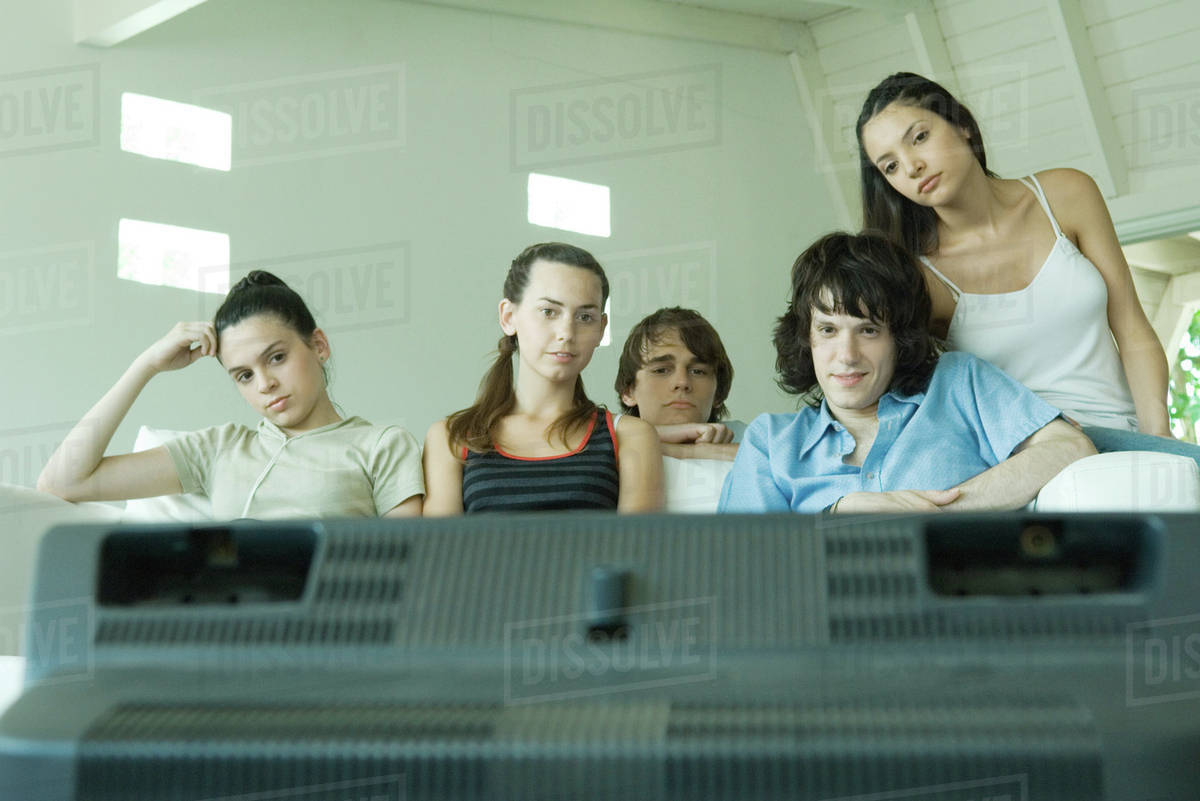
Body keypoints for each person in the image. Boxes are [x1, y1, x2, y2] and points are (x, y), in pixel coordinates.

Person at [856, 71, 1200, 463]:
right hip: (1035, 460)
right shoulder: (917, 277)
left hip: (1128, 438)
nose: (912, 166)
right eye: (890, 166)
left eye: (919, 137)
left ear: (962, 125)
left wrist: (1159, 440)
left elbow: (1132, 329)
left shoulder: (1066, 194)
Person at [718, 232, 1096, 514]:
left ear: (898, 339)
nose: (847, 356)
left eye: (868, 330)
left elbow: (1070, 448)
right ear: (806, 338)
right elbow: (745, 565)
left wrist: (938, 514)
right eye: (828, 330)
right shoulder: (771, 441)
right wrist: (835, 517)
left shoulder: (958, 382)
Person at [38, 271, 424, 519]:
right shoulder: (220, 449)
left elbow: (407, 572)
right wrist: (146, 365)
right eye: (244, 375)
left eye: (276, 357)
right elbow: (64, 482)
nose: (264, 383)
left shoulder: (382, 446)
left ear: (318, 346)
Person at [423, 242, 663, 515]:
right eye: (549, 311)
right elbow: (441, 542)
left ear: (601, 328)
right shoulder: (452, 436)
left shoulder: (630, 436)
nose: (567, 332)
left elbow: (636, 540)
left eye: (585, 317)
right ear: (508, 317)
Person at [615, 307, 742, 461]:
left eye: (698, 371)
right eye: (661, 370)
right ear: (628, 391)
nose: (682, 382)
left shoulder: (752, 438)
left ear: (718, 392)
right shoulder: (602, 447)